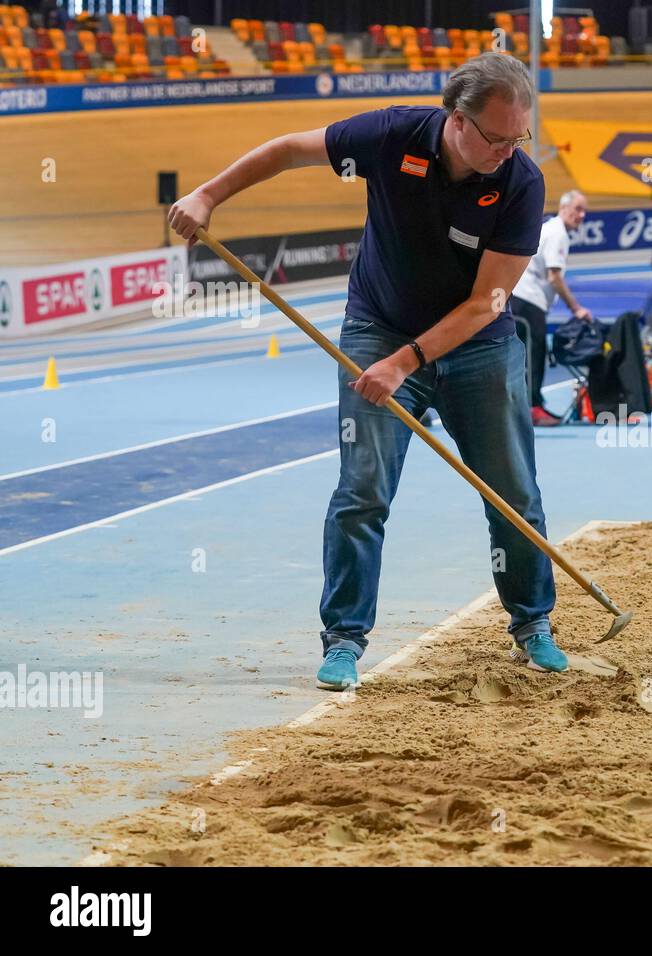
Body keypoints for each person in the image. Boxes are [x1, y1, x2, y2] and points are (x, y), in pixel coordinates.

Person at [168, 54, 571, 688]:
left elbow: (486, 303)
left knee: (513, 493)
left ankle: (532, 622)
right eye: (495, 137)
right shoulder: (389, 136)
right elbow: (286, 150)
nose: (506, 150)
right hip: (377, 327)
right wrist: (207, 194)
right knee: (362, 491)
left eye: (517, 137)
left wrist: (404, 362)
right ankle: (344, 639)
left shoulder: (520, 182)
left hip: (479, 345)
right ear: (456, 118)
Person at [510, 190, 593, 427]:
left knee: (527, 356)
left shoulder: (550, 228)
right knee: (533, 357)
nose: (582, 215)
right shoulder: (558, 234)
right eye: (578, 209)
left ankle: (529, 405)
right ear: (564, 208)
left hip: (523, 297)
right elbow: (554, 277)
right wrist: (575, 308)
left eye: (584, 210)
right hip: (529, 300)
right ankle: (532, 408)